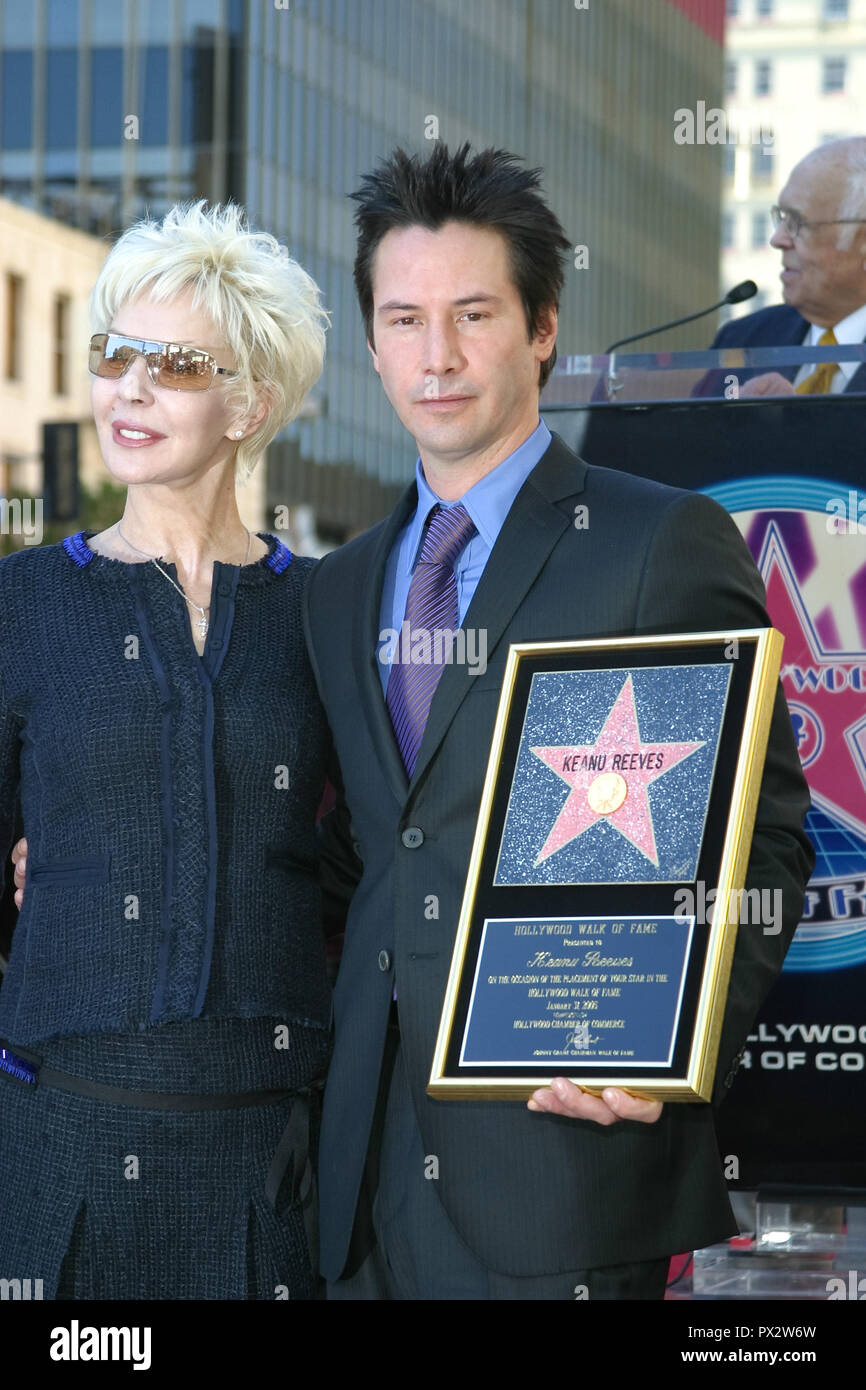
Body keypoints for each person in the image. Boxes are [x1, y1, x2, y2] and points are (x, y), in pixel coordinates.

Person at [301, 143, 815, 1300]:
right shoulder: (335, 590)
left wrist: (671, 1051)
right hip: (357, 1181)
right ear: (372, 341)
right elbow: (364, 852)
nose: (436, 356)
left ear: (540, 328)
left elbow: (765, 838)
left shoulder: (657, 542)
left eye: (472, 314)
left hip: (563, 1159)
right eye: (403, 318)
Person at [0, 200, 333, 1299]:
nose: (128, 388)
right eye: (113, 354)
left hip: (270, 1150)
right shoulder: (24, 602)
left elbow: (374, 859)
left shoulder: (327, 614)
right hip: (61, 1137)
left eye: (175, 364)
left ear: (251, 404)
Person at [700, 137, 866, 398]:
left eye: (797, 222)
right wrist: (734, 425)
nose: (776, 239)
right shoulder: (742, 340)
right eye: (781, 218)